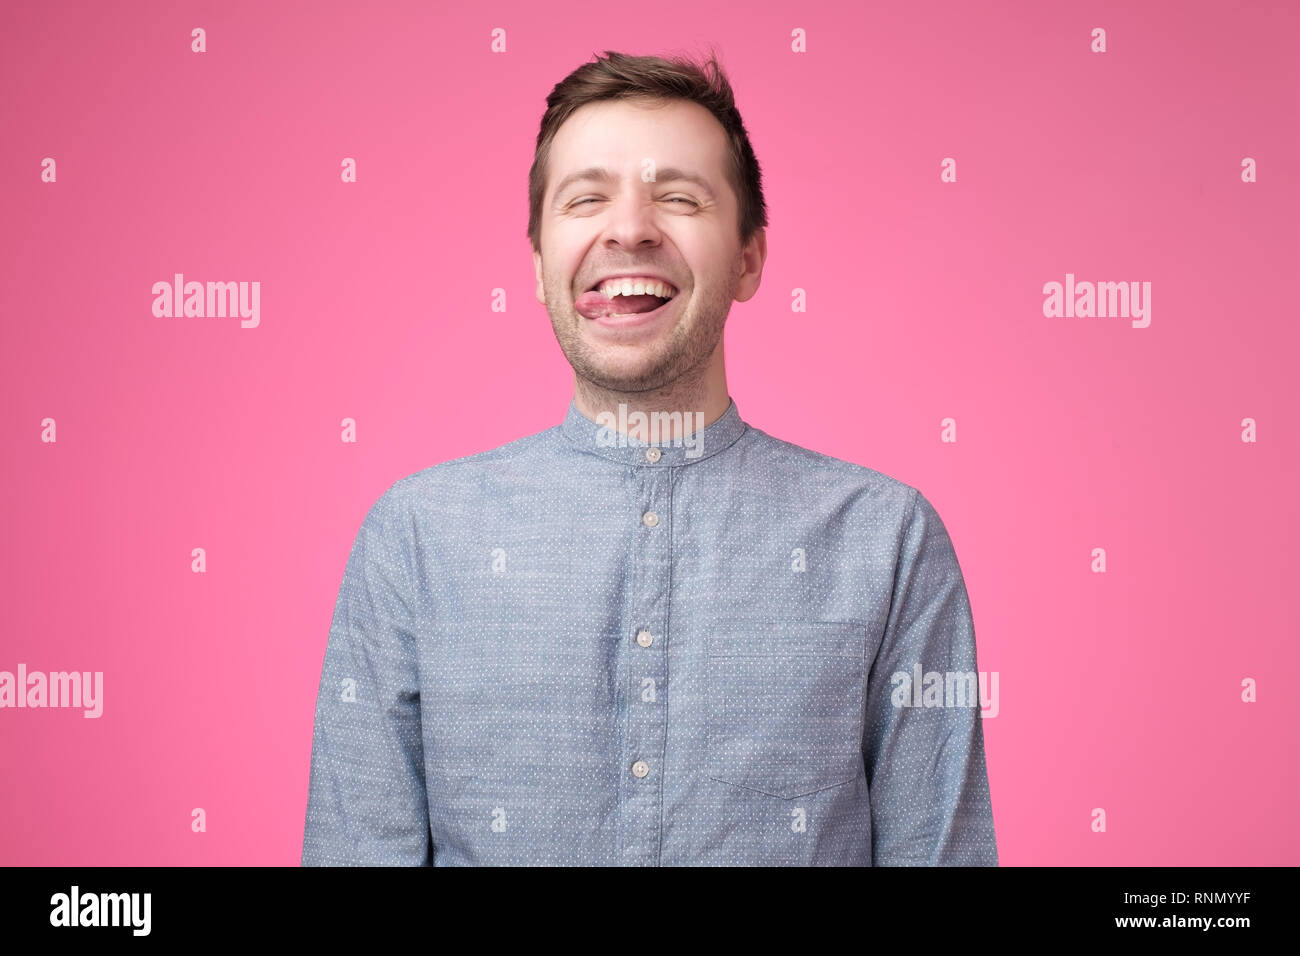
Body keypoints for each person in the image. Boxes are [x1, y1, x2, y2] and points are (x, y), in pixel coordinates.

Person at [301, 49, 997, 866]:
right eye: (586, 197)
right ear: (536, 264)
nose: (629, 227)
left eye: (678, 196)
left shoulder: (890, 542)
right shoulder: (414, 539)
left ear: (748, 259)